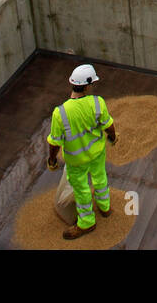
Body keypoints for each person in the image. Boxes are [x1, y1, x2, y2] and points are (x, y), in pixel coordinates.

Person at [45, 64, 117, 240]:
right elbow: (109, 125)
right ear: (87, 86)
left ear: (72, 84)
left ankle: (86, 222)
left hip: (76, 160)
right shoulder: (97, 102)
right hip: (98, 152)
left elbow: (54, 143)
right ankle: (105, 207)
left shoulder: (60, 113)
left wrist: (52, 160)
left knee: (82, 190)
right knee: (100, 179)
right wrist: (112, 138)